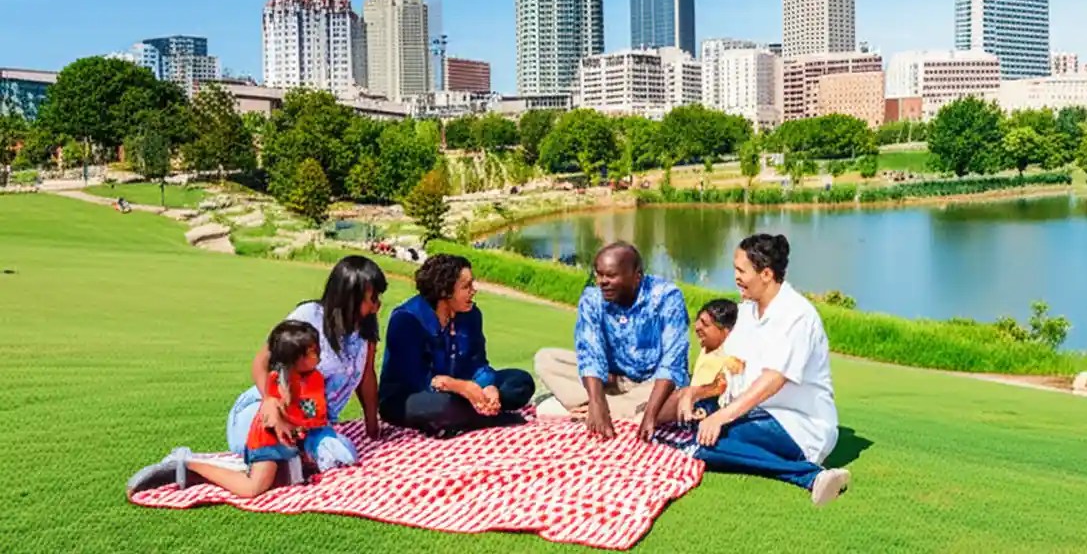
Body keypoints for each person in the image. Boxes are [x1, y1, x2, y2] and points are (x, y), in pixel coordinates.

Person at [126, 257, 386, 495]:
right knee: (272, 462)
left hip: (312, 423)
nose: (377, 306)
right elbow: (261, 363)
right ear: (348, 296)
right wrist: (270, 402)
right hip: (270, 408)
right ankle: (188, 466)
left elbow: (366, 378)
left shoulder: (364, 333)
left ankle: (270, 468)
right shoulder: (309, 317)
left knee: (341, 458)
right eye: (372, 298)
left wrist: (372, 429)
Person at [692, 234, 850, 507]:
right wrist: (703, 398)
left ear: (766, 274)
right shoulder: (746, 313)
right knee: (695, 427)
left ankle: (810, 476)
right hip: (757, 415)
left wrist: (720, 418)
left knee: (705, 444)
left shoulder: (797, 315)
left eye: (741, 270)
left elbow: (773, 380)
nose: (736, 277)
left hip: (799, 424)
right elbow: (735, 370)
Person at [534, 241, 689, 441]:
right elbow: (590, 353)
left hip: (652, 384)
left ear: (637, 276)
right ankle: (608, 408)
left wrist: (651, 416)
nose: (602, 281)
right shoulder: (592, 298)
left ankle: (595, 408)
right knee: (546, 359)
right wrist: (597, 402)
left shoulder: (666, 297)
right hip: (611, 379)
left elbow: (672, 362)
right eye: (599, 274)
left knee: (676, 390)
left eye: (611, 276)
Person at [174, 320, 348, 498]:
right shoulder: (280, 382)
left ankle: (289, 465)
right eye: (313, 352)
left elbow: (311, 411)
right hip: (268, 442)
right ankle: (190, 465)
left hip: (290, 441)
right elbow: (274, 417)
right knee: (252, 489)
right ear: (297, 359)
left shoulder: (313, 378)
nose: (319, 355)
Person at [379, 254, 535, 435]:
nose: (473, 291)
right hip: (412, 396)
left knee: (521, 381)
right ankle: (497, 419)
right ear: (445, 291)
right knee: (443, 405)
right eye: (466, 286)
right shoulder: (406, 320)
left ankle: (473, 414)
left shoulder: (471, 315)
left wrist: (489, 388)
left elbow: (478, 363)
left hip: (461, 388)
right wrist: (460, 387)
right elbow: (417, 380)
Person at [656, 298, 743, 424]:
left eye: (705, 324)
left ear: (725, 332)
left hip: (710, 408)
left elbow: (722, 385)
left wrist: (692, 393)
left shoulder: (730, 357)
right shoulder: (708, 345)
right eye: (698, 320)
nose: (697, 326)